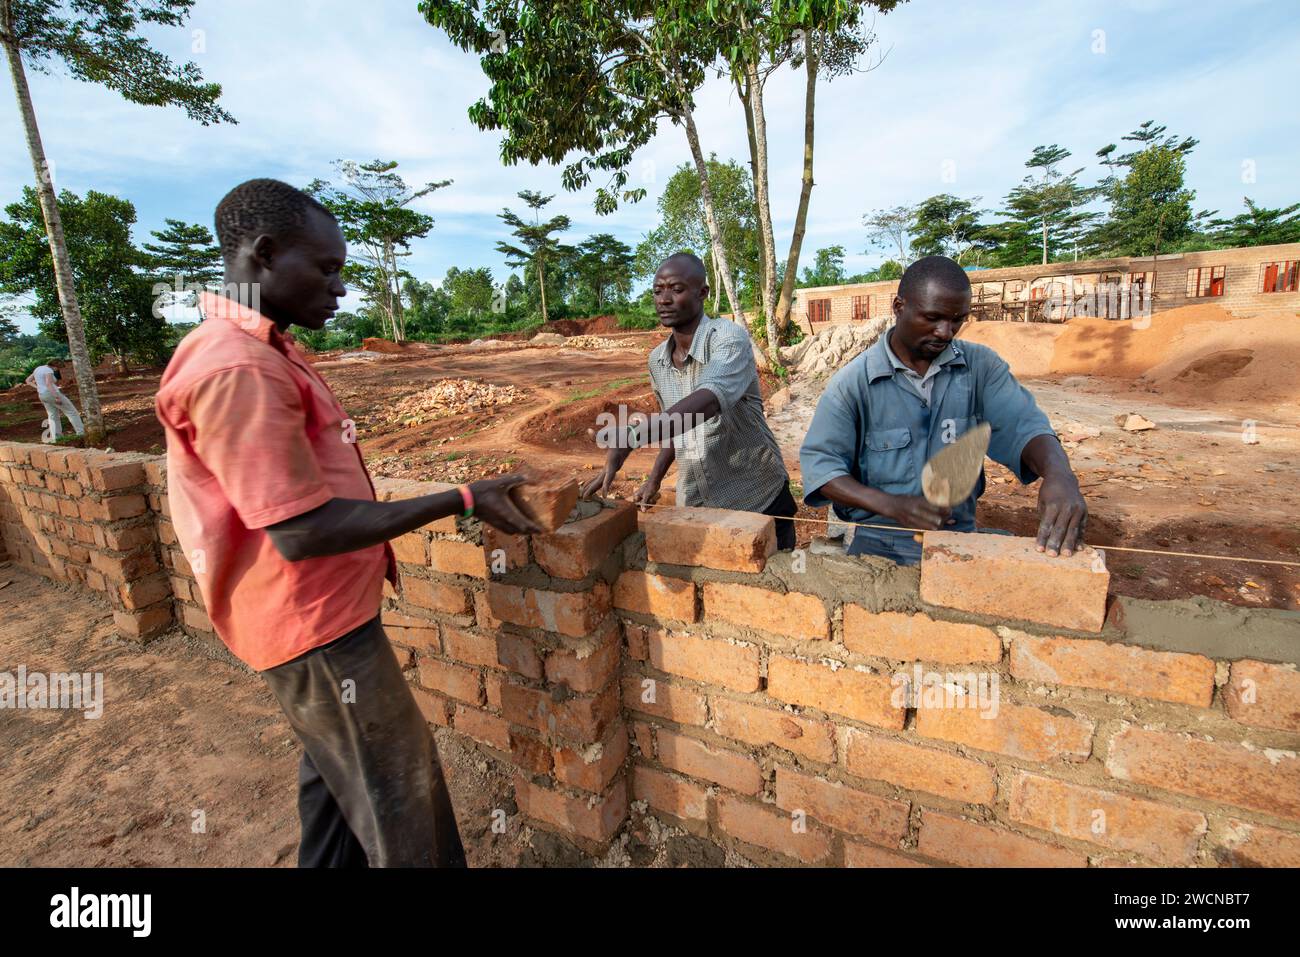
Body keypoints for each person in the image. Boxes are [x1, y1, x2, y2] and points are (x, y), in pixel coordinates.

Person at [155, 178, 543, 868]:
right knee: (403, 801)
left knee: (338, 791)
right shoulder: (236, 365)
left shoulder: (266, 345)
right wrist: (461, 496)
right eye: (327, 268)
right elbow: (301, 529)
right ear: (265, 254)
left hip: (315, 620)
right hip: (315, 627)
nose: (339, 288)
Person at [800, 255, 1087, 565]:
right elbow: (821, 467)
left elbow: (1024, 425)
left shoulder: (980, 368)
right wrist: (891, 505)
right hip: (878, 541)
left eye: (957, 319)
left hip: (957, 536)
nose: (946, 332)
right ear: (899, 307)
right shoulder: (854, 383)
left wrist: (1060, 475)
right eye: (933, 317)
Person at [582, 252, 797, 549]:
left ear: (703, 293)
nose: (664, 299)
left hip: (757, 500)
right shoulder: (657, 360)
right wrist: (654, 479)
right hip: (699, 505)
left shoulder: (728, 339)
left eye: (676, 289)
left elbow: (706, 402)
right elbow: (674, 423)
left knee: (766, 591)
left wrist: (632, 437)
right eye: (658, 290)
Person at [25, 360, 84, 442]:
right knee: (71, 412)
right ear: (55, 366)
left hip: (42, 395)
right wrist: (56, 397)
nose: (57, 370)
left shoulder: (38, 369)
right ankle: (81, 433)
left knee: (52, 415)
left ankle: (56, 437)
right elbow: (49, 384)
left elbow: (28, 381)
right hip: (51, 394)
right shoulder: (48, 370)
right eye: (58, 368)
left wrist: (38, 387)